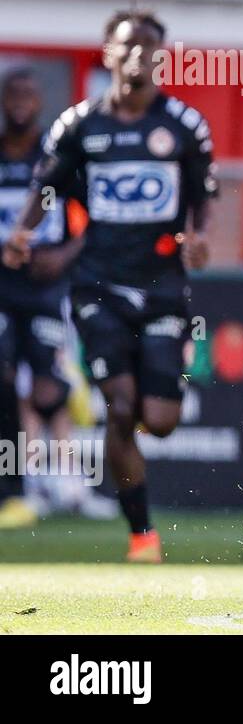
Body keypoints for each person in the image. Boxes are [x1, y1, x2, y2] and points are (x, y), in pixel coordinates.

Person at [2, 10, 217, 562]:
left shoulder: (183, 125)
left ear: (161, 56)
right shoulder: (79, 125)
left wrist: (198, 236)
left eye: (151, 47)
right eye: (129, 46)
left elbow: (203, 196)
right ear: (108, 53)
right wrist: (24, 231)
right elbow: (47, 185)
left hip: (164, 284)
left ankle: (146, 420)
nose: (140, 56)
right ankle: (142, 536)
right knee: (120, 409)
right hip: (97, 283)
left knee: (160, 421)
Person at [0, 69, 85, 527]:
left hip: (48, 287)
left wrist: (64, 257)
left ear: (38, 103)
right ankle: (18, 484)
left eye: (27, 95)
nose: (19, 103)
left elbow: (93, 218)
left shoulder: (54, 157)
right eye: (11, 94)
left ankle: (67, 481)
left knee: (49, 385)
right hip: (2, 287)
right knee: (6, 378)